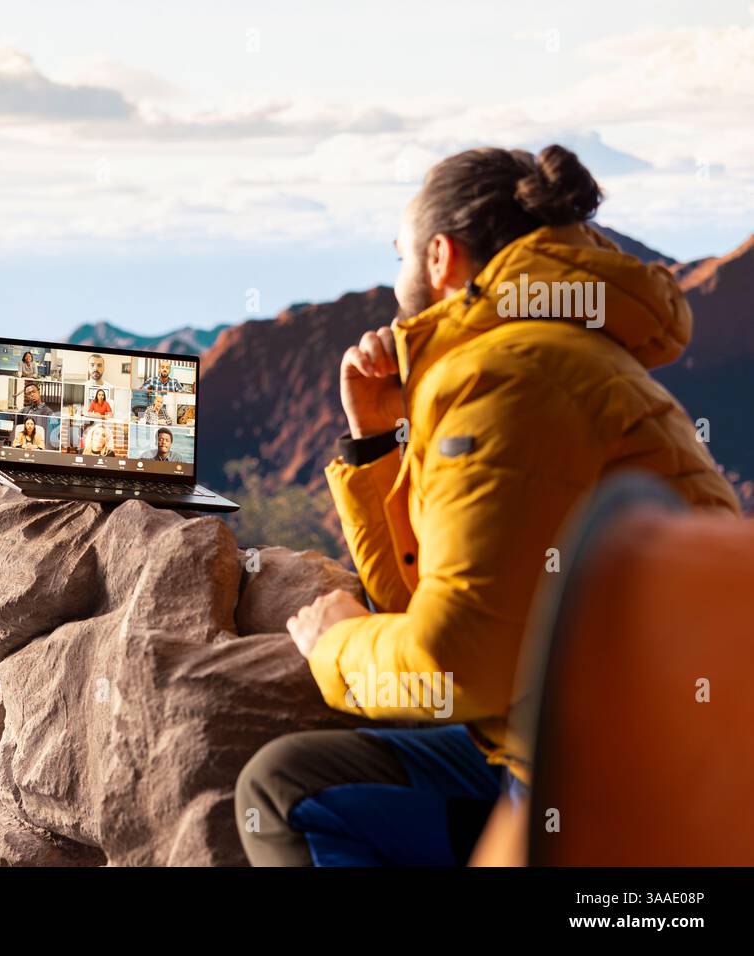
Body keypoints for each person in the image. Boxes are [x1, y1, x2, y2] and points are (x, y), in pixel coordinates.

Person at [235, 144, 740, 868]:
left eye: (400, 255)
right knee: (290, 776)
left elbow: (455, 667)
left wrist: (335, 644)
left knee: (280, 794)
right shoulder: (552, 351)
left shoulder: (505, 376)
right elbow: (434, 603)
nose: (396, 279)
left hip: (611, 791)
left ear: (440, 256)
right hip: (593, 744)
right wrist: (374, 442)